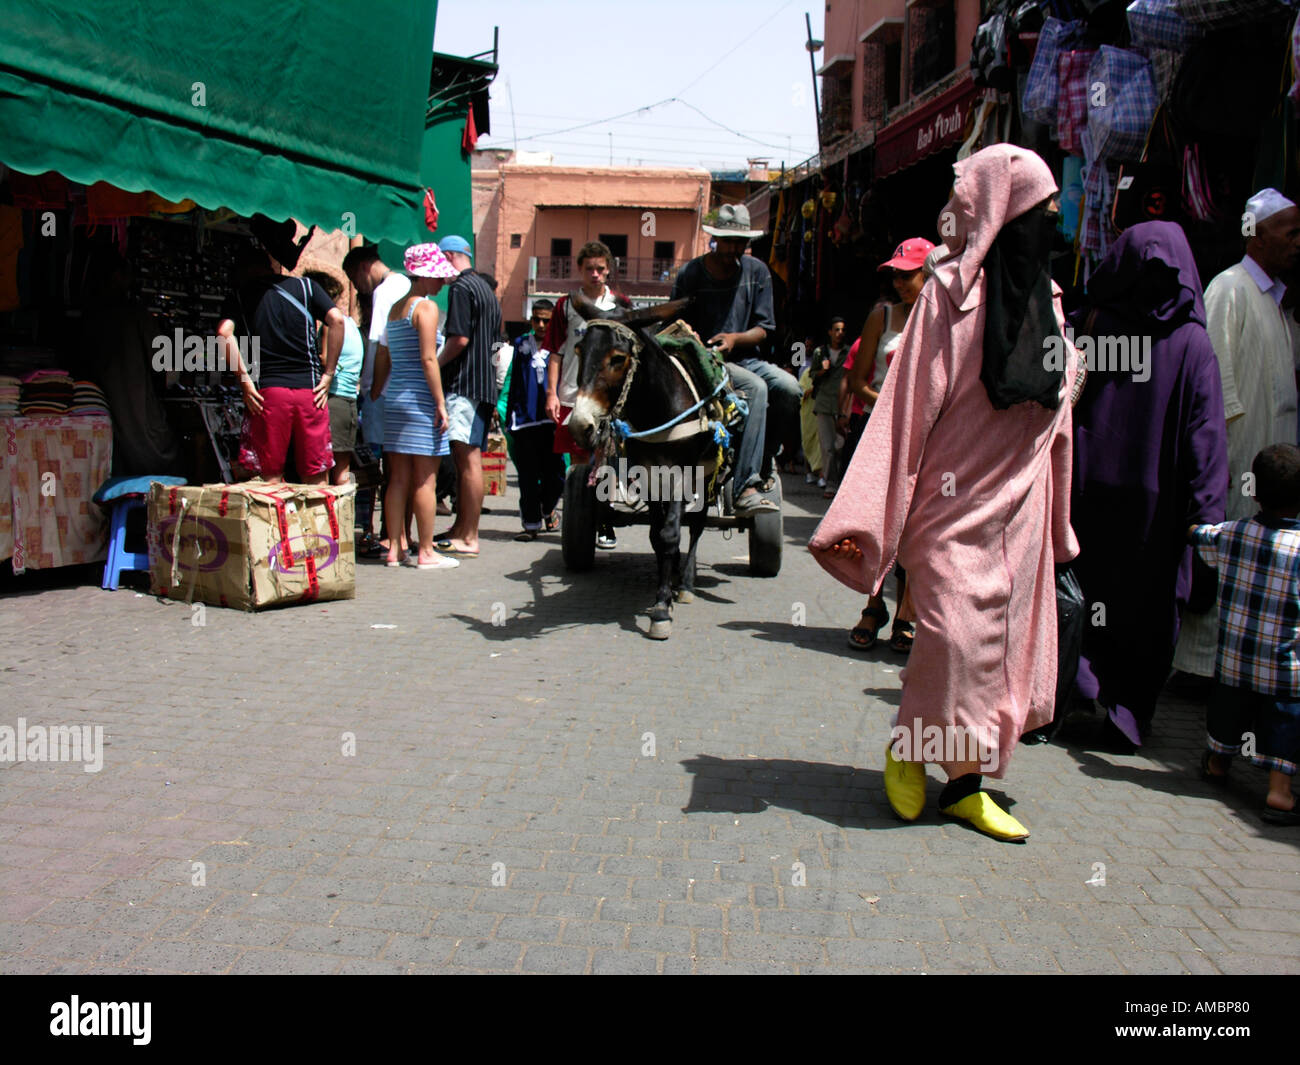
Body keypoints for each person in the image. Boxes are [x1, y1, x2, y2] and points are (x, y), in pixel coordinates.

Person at [809, 145, 1081, 842]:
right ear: (1006, 213)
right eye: (1044, 212)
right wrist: (869, 516)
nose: (1055, 223)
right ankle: (911, 744)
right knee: (952, 640)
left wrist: (1059, 522)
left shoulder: (1048, 303)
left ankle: (965, 786)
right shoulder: (946, 298)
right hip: (950, 511)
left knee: (997, 658)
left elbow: (1060, 424)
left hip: (1018, 515)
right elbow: (902, 413)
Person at [1069, 221, 1229, 750]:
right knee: (1148, 610)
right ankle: (1126, 714)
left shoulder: (1102, 329)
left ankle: (1079, 686)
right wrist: (1208, 521)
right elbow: (1206, 437)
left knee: (1088, 594)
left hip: (1089, 498)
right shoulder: (1191, 344)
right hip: (1156, 515)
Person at [1174, 189, 1300, 684]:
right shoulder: (1229, 288)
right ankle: (1200, 668)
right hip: (1240, 456)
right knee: (1230, 561)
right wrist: (1217, 459)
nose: (1297, 242)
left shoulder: (1278, 299)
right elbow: (1214, 379)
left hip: (1270, 454)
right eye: (1290, 231)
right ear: (1258, 235)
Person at [1194, 443, 1300, 825]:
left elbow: (1201, 536)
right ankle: (1279, 792)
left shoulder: (1234, 534)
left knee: (1227, 713)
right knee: (1284, 723)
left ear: (1253, 491)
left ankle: (1219, 763)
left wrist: (1189, 527)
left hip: (1235, 660)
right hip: (1285, 669)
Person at [671, 204, 801, 514]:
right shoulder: (690, 274)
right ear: (715, 239)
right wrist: (697, 345)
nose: (733, 248)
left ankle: (764, 455)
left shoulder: (758, 272)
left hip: (746, 359)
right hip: (702, 363)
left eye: (739, 242)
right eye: (727, 241)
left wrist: (734, 339)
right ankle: (746, 486)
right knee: (756, 389)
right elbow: (673, 325)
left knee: (790, 388)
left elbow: (764, 329)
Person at [842, 237, 936, 653]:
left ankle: (907, 613)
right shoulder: (881, 317)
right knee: (880, 526)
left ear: (930, 274)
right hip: (880, 436)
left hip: (931, 441)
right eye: (895, 275)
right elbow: (858, 382)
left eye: (908, 274)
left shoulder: (945, 321)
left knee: (918, 529)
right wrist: (891, 409)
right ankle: (873, 604)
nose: (899, 282)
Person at [220, 243, 344, 484]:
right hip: (311, 393)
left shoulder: (240, 296)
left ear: (244, 270)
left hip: (268, 395)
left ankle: (276, 522)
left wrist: (245, 381)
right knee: (316, 474)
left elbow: (224, 332)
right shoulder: (307, 287)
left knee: (270, 477)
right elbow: (337, 320)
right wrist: (328, 375)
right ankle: (318, 522)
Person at [370, 243, 460, 570]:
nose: (442, 284)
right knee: (425, 480)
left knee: (397, 478)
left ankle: (394, 548)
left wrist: (378, 389)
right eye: (438, 277)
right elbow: (427, 359)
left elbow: (385, 354)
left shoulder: (395, 308)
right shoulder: (426, 308)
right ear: (423, 275)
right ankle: (425, 551)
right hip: (420, 400)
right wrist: (440, 403)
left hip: (395, 398)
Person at [543, 240, 632, 549]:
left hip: (608, 401)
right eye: (589, 268)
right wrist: (551, 394)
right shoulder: (565, 305)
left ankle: (605, 523)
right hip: (572, 396)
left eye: (600, 269)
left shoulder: (621, 304)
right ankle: (580, 525)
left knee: (606, 461)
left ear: (608, 271)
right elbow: (555, 353)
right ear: (580, 270)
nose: (595, 274)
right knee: (580, 463)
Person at [435, 234, 502, 558]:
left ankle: (469, 536)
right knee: (469, 459)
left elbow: (459, 339)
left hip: (464, 386)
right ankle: (461, 529)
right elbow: (495, 346)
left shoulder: (461, 288)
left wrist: (433, 363)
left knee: (468, 460)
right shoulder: (487, 292)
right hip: (483, 385)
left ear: (450, 256)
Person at [342, 244, 413, 548]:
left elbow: (380, 347)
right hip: (405, 391)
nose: (358, 288)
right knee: (401, 468)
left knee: (377, 469)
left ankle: (381, 534)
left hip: (383, 392)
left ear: (363, 268)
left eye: (355, 280)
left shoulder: (384, 292)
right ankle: (397, 534)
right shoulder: (407, 284)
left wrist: (371, 388)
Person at [505, 300, 565, 541]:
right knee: (528, 475)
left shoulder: (560, 347)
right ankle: (531, 525)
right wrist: (510, 417)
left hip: (553, 421)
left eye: (546, 320)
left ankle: (547, 507)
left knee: (557, 473)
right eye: (536, 320)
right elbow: (515, 382)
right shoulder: (521, 345)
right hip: (525, 421)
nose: (541, 325)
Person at [304, 270, 365, 487]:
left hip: (334, 400)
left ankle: (329, 519)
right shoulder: (350, 324)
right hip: (348, 401)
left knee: (324, 470)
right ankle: (342, 518)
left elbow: (325, 358)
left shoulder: (331, 326)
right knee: (342, 469)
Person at [810, 317, 849, 498]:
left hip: (842, 404)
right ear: (830, 332)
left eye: (842, 330)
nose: (839, 333)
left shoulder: (849, 352)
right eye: (836, 330)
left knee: (842, 445)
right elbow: (812, 375)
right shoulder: (820, 352)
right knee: (827, 447)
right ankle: (831, 484)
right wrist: (822, 371)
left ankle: (842, 481)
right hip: (824, 404)